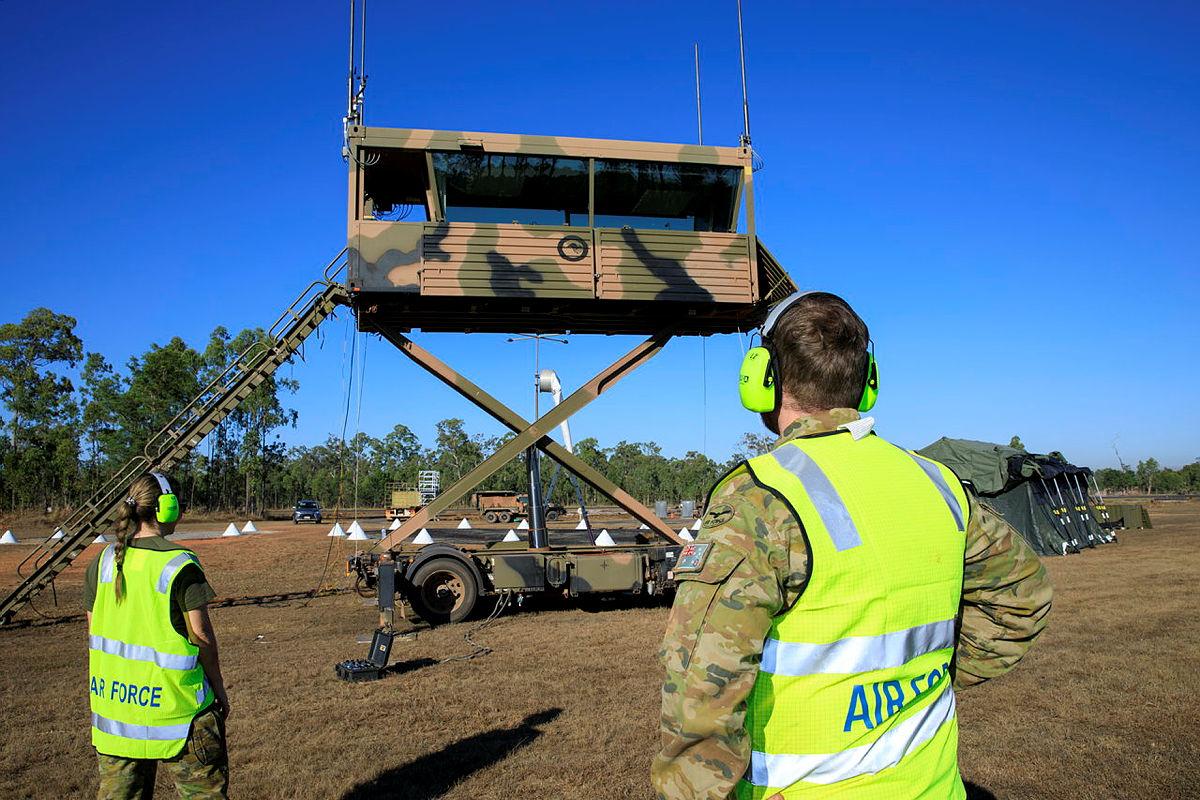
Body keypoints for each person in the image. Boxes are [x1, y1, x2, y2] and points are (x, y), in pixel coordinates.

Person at [652, 292, 1052, 800]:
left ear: (763, 379)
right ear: (869, 382)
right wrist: (928, 678)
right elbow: (1023, 598)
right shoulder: (938, 483)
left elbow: (701, 683)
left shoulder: (760, 499)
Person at [85, 472, 230, 799]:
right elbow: (202, 638)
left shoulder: (103, 561)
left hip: (116, 715)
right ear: (167, 508)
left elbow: (94, 632)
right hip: (180, 715)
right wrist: (219, 689)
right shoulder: (180, 564)